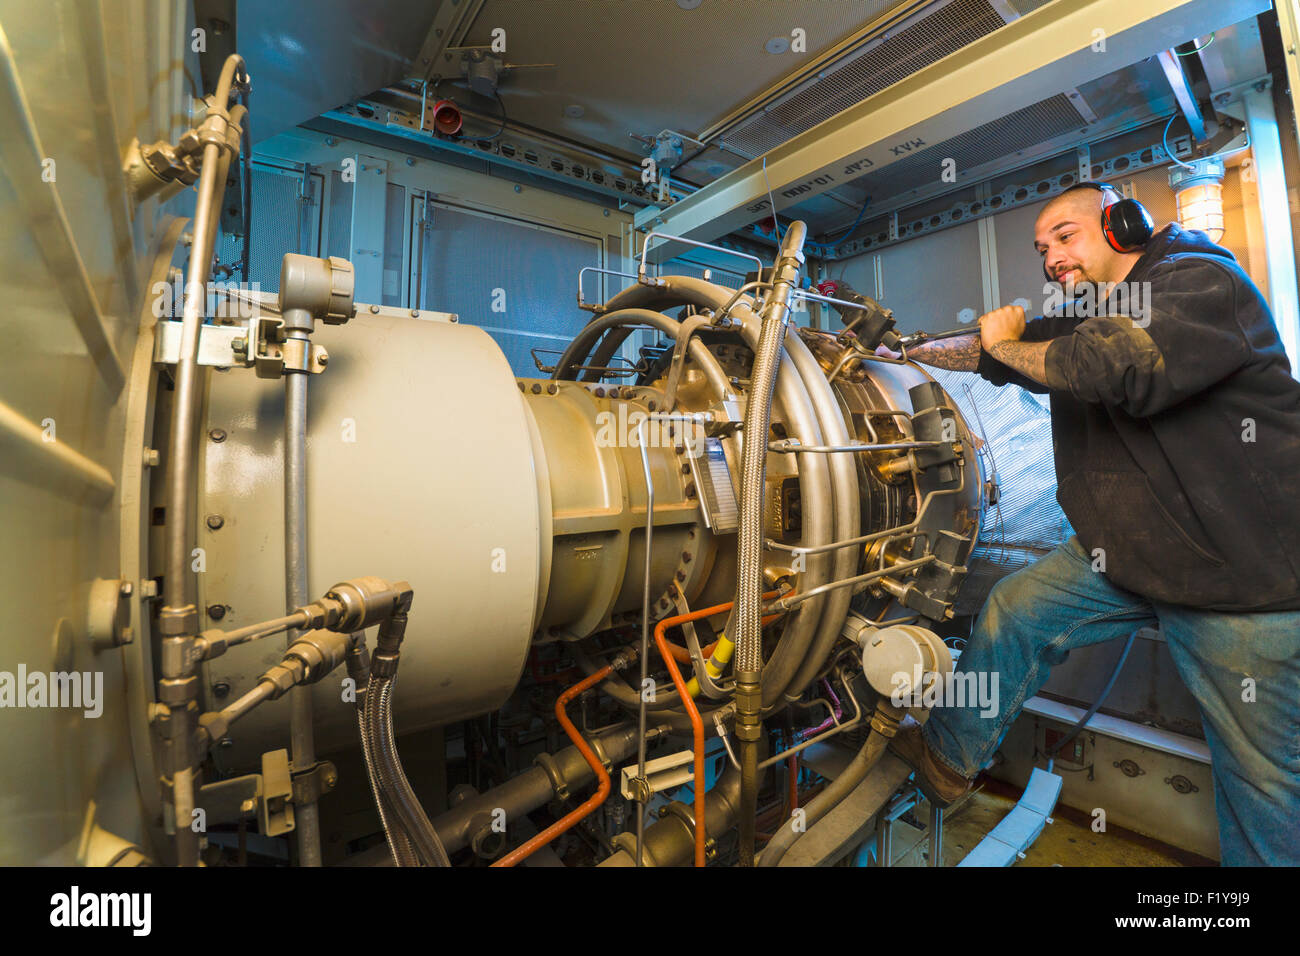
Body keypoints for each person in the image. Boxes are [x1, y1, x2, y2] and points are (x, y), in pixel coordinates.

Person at [882, 182, 1300, 865]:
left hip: (1241, 585)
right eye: (1042, 249)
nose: (1050, 259)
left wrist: (1007, 343)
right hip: (1133, 558)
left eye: (1064, 237)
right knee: (1013, 611)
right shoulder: (1094, 317)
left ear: (1121, 224)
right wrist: (906, 350)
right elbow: (996, 351)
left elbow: (1117, 367)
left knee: (1261, 787)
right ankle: (947, 760)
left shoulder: (1201, 282)